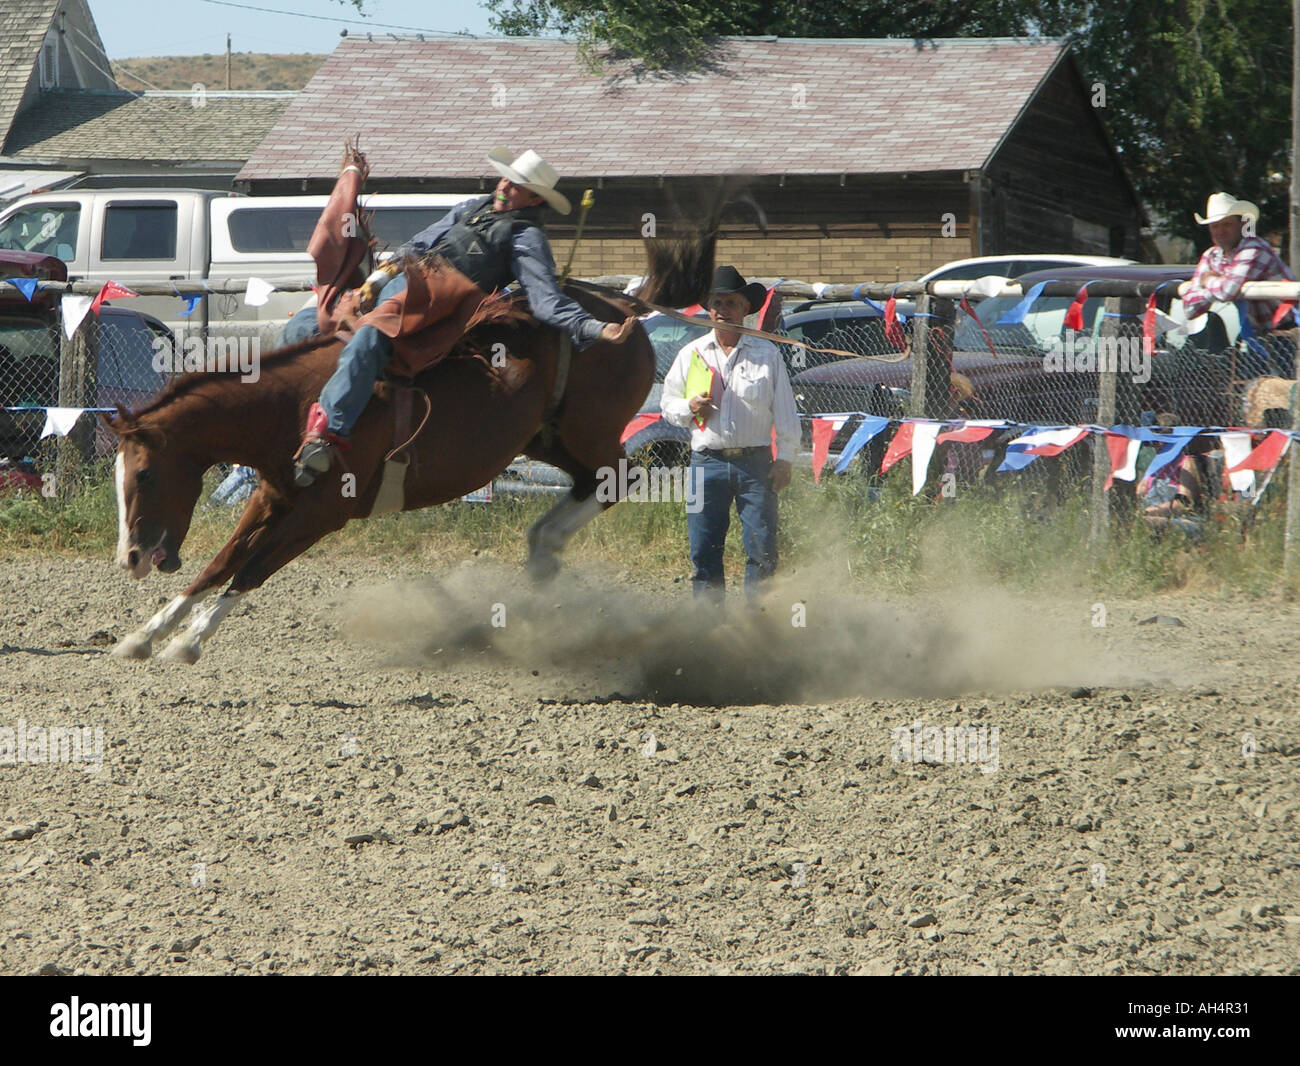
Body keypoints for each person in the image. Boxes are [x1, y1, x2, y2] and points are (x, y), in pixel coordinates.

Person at [292, 148, 636, 487]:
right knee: (304, 325)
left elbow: (546, 300)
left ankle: (327, 434)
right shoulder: (472, 207)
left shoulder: (526, 237)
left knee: (369, 339)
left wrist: (596, 328)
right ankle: (284, 410)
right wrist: (381, 275)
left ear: (534, 200)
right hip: (401, 282)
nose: (504, 187)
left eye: (516, 186)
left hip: (433, 308)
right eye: (506, 179)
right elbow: (420, 243)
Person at [660, 265, 799, 602]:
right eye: (717, 303)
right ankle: (709, 634)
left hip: (757, 464)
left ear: (744, 309)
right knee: (703, 549)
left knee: (762, 548)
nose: (723, 310)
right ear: (709, 309)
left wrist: (786, 461)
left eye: (731, 303)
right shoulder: (690, 355)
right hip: (706, 463)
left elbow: (786, 413)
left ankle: (758, 625)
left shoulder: (768, 355)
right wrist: (689, 407)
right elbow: (668, 404)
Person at [1183, 192, 1296, 379]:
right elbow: (1189, 307)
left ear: (1242, 225)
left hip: (1288, 334)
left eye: (1227, 224)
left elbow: (1228, 291)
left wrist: (1208, 282)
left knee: (1286, 395)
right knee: (1254, 395)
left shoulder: (1254, 248)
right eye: (1215, 226)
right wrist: (1218, 287)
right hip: (1257, 337)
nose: (1220, 231)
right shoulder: (1211, 256)